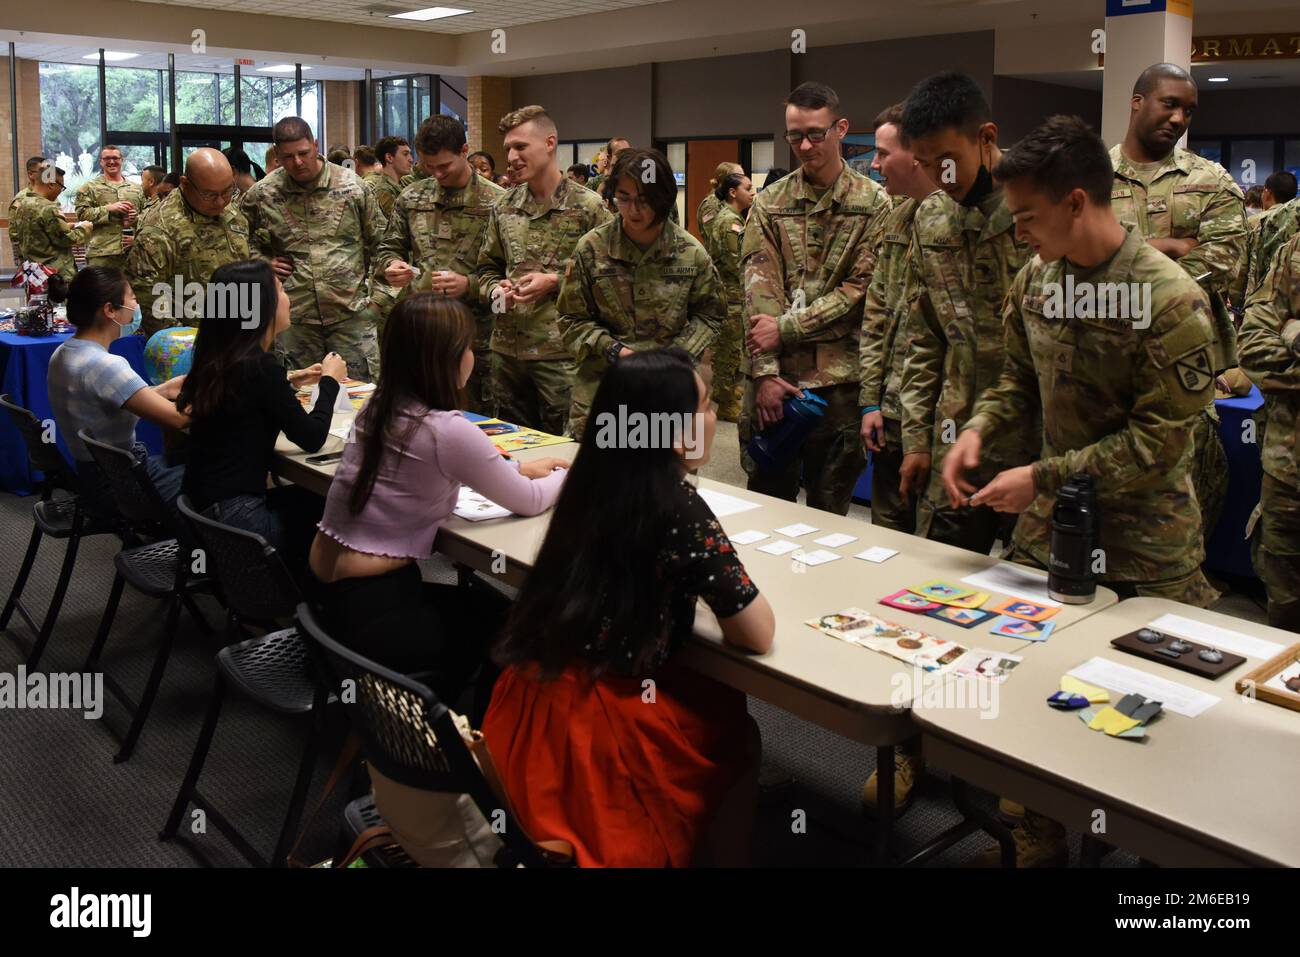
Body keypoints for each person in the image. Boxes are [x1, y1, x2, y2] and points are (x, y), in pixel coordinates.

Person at [942, 115, 1218, 866]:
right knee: (1037, 688)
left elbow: (1158, 447)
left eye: (1027, 216)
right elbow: (1018, 383)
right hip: (1053, 528)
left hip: (1145, 542)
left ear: (1074, 202)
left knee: (1149, 712)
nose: (1018, 230)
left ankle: (1161, 852)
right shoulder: (1038, 280)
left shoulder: (1171, 301)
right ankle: (1038, 826)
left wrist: (1041, 476)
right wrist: (979, 429)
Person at [482, 348, 775, 867]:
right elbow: (756, 632)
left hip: (529, 698)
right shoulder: (675, 503)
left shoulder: (590, 478)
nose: (713, 420)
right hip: (599, 730)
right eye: (705, 407)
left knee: (710, 692)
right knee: (736, 727)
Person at [308, 295, 567, 704]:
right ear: (445, 358)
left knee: (484, 602)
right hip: (379, 611)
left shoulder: (378, 407)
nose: (473, 356)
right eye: (467, 347)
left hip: (326, 598)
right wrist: (569, 475)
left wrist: (517, 468)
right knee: (518, 625)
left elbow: (427, 467)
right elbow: (532, 502)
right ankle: (471, 735)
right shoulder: (447, 430)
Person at [896, 71, 1036, 553]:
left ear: (987, 138)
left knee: (1035, 594)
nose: (941, 177)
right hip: (956, 435)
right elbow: (923, 336)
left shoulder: (1037, 211)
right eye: (926, 164)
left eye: (948, 161)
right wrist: (915, 438)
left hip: (1036, 436)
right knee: (938, 576)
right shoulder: (931, 217)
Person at [1110, 63, 1244, 548]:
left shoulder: (1211, 181)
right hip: (1103, 372)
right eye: (1170, 104)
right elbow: (1066, 263)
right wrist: (1168, 248)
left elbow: (1224, 263)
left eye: (1188, 110)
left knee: (1184, 510)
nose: (1180, 118)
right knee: (1107, 506)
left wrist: (1127, 262)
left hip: (1185, 371)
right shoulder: (1090, 177)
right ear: (1138, 101)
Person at [740, 81, 890, 514]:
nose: (804, 145)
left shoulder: (875, 204)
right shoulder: (771, 203)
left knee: (831, 516)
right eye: (794, 135)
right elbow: (757, 291)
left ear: (841, 129)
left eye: (815, 134)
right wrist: (764, 374)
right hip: (775, 385)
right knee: (768, 510)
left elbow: (861, 290)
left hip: (839, 388)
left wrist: (787, 327)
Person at [177, 259, 344, 566]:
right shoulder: (260, 367)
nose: (288, 297)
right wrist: (330, 382)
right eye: (280, 289)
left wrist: (289, 380)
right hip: (238, 523)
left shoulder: (218, 355)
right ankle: (318, 604)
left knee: (319, 499)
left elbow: (242, 400)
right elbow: (312, 437)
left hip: (203, 515)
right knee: (344, 510)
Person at [558, 148, 725, 439]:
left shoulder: (690, 253)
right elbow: (571, 319)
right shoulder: (592, 248)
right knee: (599, 481)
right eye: (624, 198)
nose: (634, 210)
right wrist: (615, 350)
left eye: (645, 200)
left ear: (663, 198)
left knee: (669, 479)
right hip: (604, 391)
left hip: (668, 393)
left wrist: (675, 356)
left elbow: (710, 315)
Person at [474, 105, 612, 436]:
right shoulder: (504, 205)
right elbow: (486, 268)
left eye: (520, 146)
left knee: (567, 453)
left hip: (562, 356)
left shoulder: (589, 207)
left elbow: (611, 279)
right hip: (507, 354)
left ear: (550, 143)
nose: (511, 156)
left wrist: (553, 281)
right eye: (507, 148)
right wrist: (494, 292)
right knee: (512, 452)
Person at [241, 116, 389, 380]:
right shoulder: (263, 193)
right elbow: (235, 240)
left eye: (303, 153)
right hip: (294, 321)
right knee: (297, 399)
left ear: (315, 144)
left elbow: (385, 244)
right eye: (288, 157)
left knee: (360, 400)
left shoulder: (352, 187)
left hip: (351, 316)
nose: (297, 163)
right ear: (277, 154)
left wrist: (378, 302)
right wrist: (262, 262)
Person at [375, 116, 504, 413]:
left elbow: (508, 273)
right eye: (428, 166)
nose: (437, 173)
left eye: (444, 166)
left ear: (464, 150)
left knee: (476, 424)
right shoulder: (412, 197)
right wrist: (392, 265)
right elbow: (388, 247)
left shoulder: (498, 202)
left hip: (475, 338)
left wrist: (468, 285)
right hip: (421, 335)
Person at [46, 267, 188, 516]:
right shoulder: (105, 365)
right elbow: (178, 419)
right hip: (124, 485)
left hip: (95, 477)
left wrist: (165, 388)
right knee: (217, 477)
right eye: (132, 298)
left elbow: (116, 399)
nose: (136, 305)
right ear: (109, 310)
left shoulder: (65, 353)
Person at [859, 103, 937, 538]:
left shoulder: (963, 220)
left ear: (917, 154)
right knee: (886, 532)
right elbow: (877, 314)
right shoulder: (898, 218)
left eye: (883, 153)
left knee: (937, 541)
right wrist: (870, 400)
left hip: (939, 416)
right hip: (890, 409)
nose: (874, 164)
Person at [1241, 227, 1300, 632]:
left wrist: (1293, 331)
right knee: (1285, 612)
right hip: (1290, 473)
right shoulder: (1296, 251)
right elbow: (1251, 347)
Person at [127, 148, 251, 337]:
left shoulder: (231, 211)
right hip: (190, 347)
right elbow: (149, 302)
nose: (220, 202)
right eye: (209, 195)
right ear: (185, 183)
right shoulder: (160, 229)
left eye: (227, 191)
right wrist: (188, 346)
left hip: (237, 335)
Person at [698, 170, 755, 421]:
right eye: (748, 188)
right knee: (729, 351)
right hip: (730, 296)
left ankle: (725, 392)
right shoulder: (730, 222)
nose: (753, 193)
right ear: (733, 193)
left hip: (730, 294)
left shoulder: (732, 218)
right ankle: (726, 399)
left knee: (730, 348)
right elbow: (736, 262)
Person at [14, 166, 93, 281]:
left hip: (34, 274)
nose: (61, 191)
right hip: (55, 276)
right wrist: (85, 228)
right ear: (51, 184)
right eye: (61, 186)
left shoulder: (22, 204)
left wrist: (66, 226)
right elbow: (67, 239)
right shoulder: (49, 208)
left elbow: (38, 233)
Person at [74, 145, 145, 271]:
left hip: (133, 251)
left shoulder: (137, 188)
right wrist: (108, 209)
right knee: (101, 290)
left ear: (121, 160)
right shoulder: (89, 187)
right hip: (101, 253)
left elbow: (149, 215)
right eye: (107, 158)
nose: (111, 162)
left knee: (131, 290)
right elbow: (82, 214)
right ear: (101, 162)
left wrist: (136, 218)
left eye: (115, 158)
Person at [1239, 172, 1300, 304]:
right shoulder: (1297, 220)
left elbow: (1242, 267)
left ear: (1267, 192)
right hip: (1293, 297)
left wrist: (1237, 302)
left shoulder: (1254, 222)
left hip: (1260, 301)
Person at [8, 156, 49, 265]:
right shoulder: (21, 199)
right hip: (32, 260)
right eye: (42, 171)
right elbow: (14, 232)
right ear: (31, 174)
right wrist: (22, 259)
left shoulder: (50, 195)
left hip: (52, 257)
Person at [364, 136, 413, 219]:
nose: (411, 159)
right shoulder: (383, 191)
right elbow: (399, 222)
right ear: (389, 158)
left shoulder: (405, 182)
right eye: (405, 154)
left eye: (409, 154)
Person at [696, 161, 743, 236]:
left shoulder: (729, 200)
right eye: (739, 177)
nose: (743, 181)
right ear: (726, 180)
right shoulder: (710, 206)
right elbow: (714, 235)